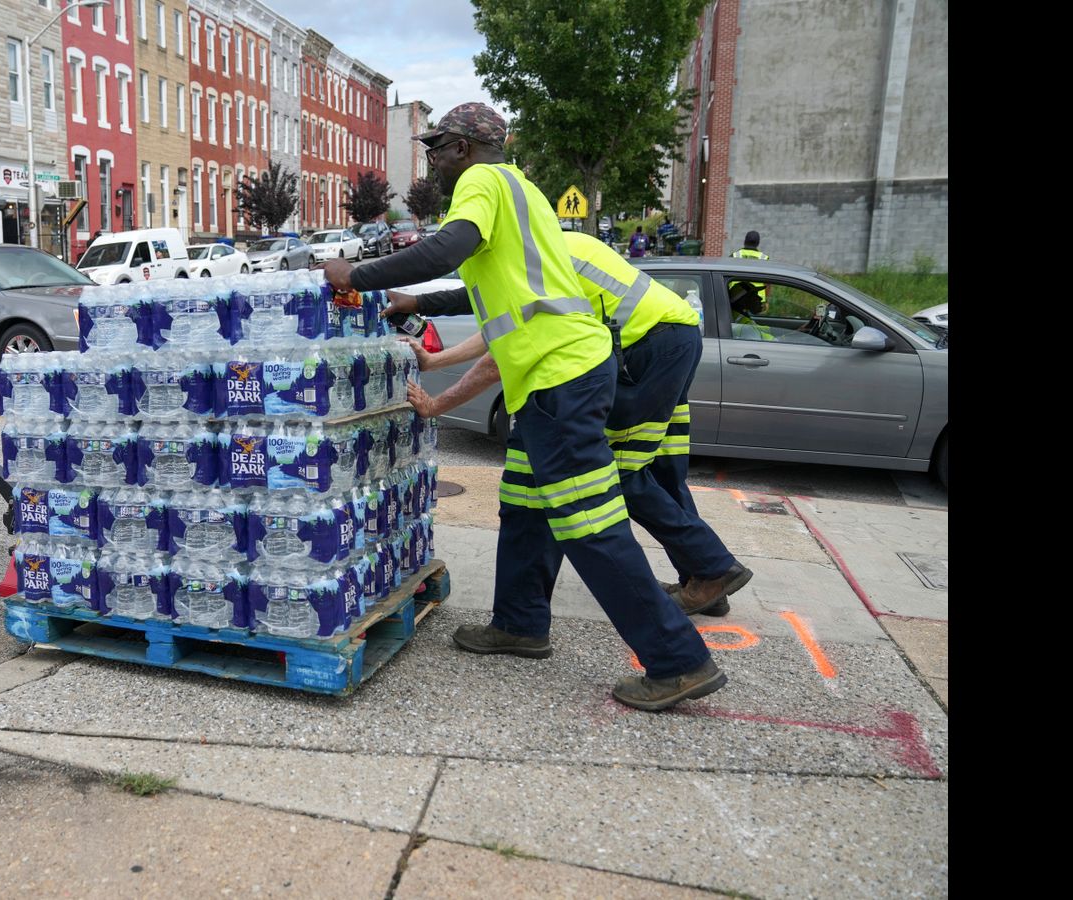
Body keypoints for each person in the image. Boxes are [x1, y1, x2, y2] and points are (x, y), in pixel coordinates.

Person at [323, 102, 725, 712]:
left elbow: (445, 250)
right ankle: (519, 622)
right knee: (525, 503)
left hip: (559, 377)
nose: (433, 162)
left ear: (462, 148)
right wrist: (410, 298)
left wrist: (356, 272)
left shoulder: (483, 182)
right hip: (554, 377)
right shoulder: (524, 194)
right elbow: (487, 281)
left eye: (437, 149)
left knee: (588, 522)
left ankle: (678, 661)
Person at [384, 230, 753, 618]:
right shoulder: (545, 246)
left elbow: (501, 350)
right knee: (661, 470)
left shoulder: (529, 269)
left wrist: (437, 404)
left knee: (622, 474)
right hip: (673, 341)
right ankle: (705, 580)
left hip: (646, 352)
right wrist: (429, 339)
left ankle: (713, 567)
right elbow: (493, 316)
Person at [729, 230, 769, 307]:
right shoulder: (764, 258)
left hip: (736, 297)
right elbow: (768, 282)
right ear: (758, 243)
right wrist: (766, 300)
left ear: (745, 241)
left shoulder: (735, 256)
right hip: (757, 300)